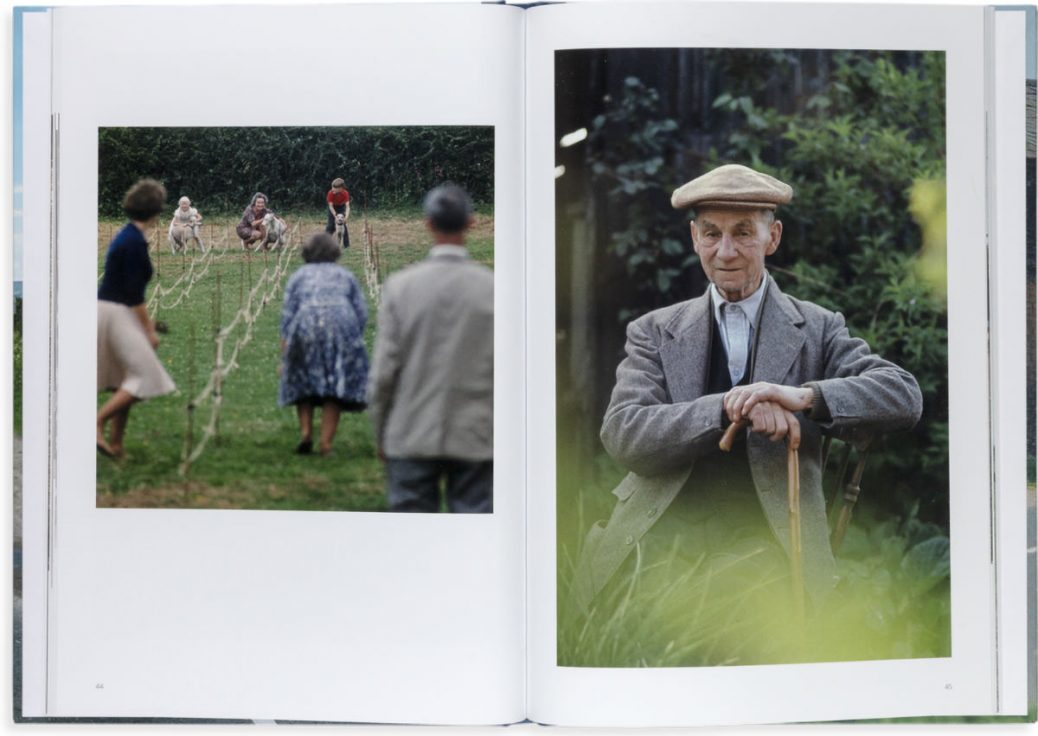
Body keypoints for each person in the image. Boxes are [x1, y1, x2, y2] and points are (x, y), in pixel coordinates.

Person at [570, 164, 923, 623]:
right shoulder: (654, 331)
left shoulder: (818, 328)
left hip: (773, 556)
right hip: (658, 548)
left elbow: (903, 395)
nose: (726, 251)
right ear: (694, 237)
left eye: (743, 233)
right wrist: (722, 407)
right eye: (712, 233)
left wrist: (804, 396)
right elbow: (623, 434)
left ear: (772, 237)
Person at [368, 184, 493, 513]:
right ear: (470, 223)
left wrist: (381, 431)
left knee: (411, 542)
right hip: (477, 438)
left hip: (410, 433)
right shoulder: (492, 289)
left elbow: (384, 372)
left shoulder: (400, 287)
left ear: (428, 224)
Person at [97, 178, 176, 459]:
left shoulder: (129, 235)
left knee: (125, 380)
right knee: (144, 376)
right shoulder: (132, 242)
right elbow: (133, 294)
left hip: (111, 309)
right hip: (116, 311)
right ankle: (97, 421)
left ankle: (116, 445)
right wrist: (149, 330)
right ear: (156, 211)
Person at [279, 232, 369, 456]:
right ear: (334, 252)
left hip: (305, 326)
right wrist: (353, 338)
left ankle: (306, 434)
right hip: (341, 326)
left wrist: (286, 353)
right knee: (335, 387)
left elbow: (288, 314)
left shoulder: (299, 276)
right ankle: (326, 444)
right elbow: (361, 312)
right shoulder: (345, 276)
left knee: (303, 380)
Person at [324, 177, 351, 249]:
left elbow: (347, 206)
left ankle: (346, 245)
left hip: (341, 207)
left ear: (341, 188)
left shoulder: (345, 193)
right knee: (330, 225)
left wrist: (346, 217)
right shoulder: (330, 193)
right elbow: (330, 206)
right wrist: (335, 216)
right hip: (333, 208)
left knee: (343, 225)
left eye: (334, 188)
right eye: (332, 187)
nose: (332, 189)